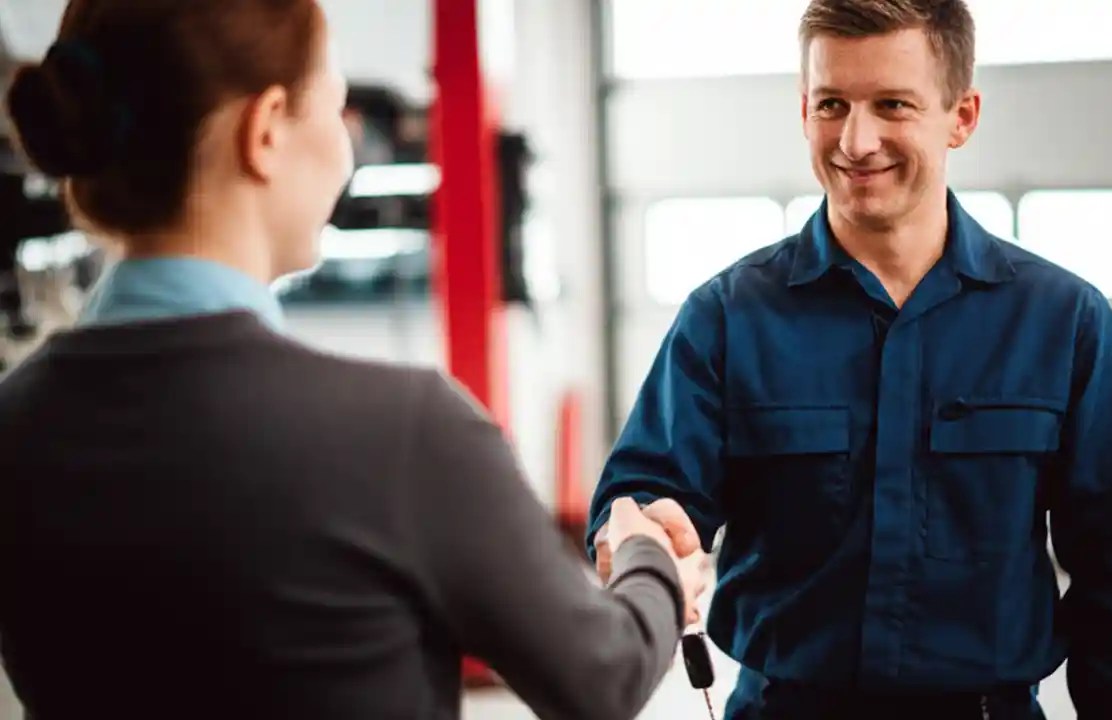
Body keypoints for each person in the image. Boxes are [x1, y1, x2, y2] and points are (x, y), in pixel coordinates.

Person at [0, 2, 707, 719]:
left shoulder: (16, 423)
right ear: (266, 130)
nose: (347, 147)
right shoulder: (402, 432)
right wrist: (649, 558)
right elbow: (603, 676)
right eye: (337, 108)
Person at [586, 1, 1112, 718]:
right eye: (832, 104)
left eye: (892, 105)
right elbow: (644, 494)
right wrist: (640, 527)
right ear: (804, 107)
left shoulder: (1061, 321)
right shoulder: (727, 319)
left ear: (961, 116)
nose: (856, 140)